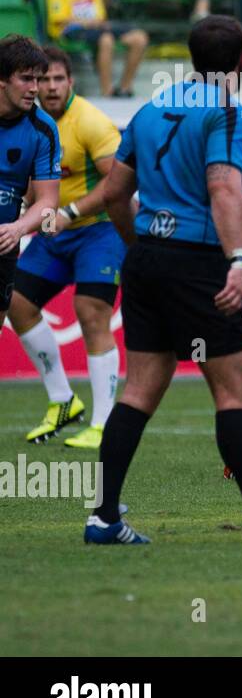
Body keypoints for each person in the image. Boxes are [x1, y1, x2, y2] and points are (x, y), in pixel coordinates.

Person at [89, 16, 242, 545]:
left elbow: (112, 195)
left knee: (139, 391)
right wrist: (239, 258)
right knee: (235, 393)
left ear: (192, 58)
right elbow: (223, 188)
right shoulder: (227, 111)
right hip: (198, 264)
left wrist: (141, 247)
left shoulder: (150, 109)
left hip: (148, 257)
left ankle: (103, 518)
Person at [9, 47, 123, 449]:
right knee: (16, 303)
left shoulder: (91, 122)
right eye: (43, 80)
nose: (50, 88)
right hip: (52, 232)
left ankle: (105, 422)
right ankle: (62, 399)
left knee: (91, 312)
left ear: (71, 82)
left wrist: (70, 212)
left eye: (58, 79)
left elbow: (119, 183)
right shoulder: (30, 124)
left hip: (99, 231)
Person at [0, 36, 62, 426]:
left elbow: (47, 202)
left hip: (4, 246)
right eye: (26, 79)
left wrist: (19, 226)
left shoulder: (43, 128)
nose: (36, 88)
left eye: (38, 79)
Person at [44, 0, 147, 96]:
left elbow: (100, 16)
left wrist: (94, 22)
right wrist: (86, 22)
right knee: (106, 39)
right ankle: (107, 92)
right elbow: (58, 18)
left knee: (139, 38)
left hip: (95, 28)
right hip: (69, 30)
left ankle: (125, 88)